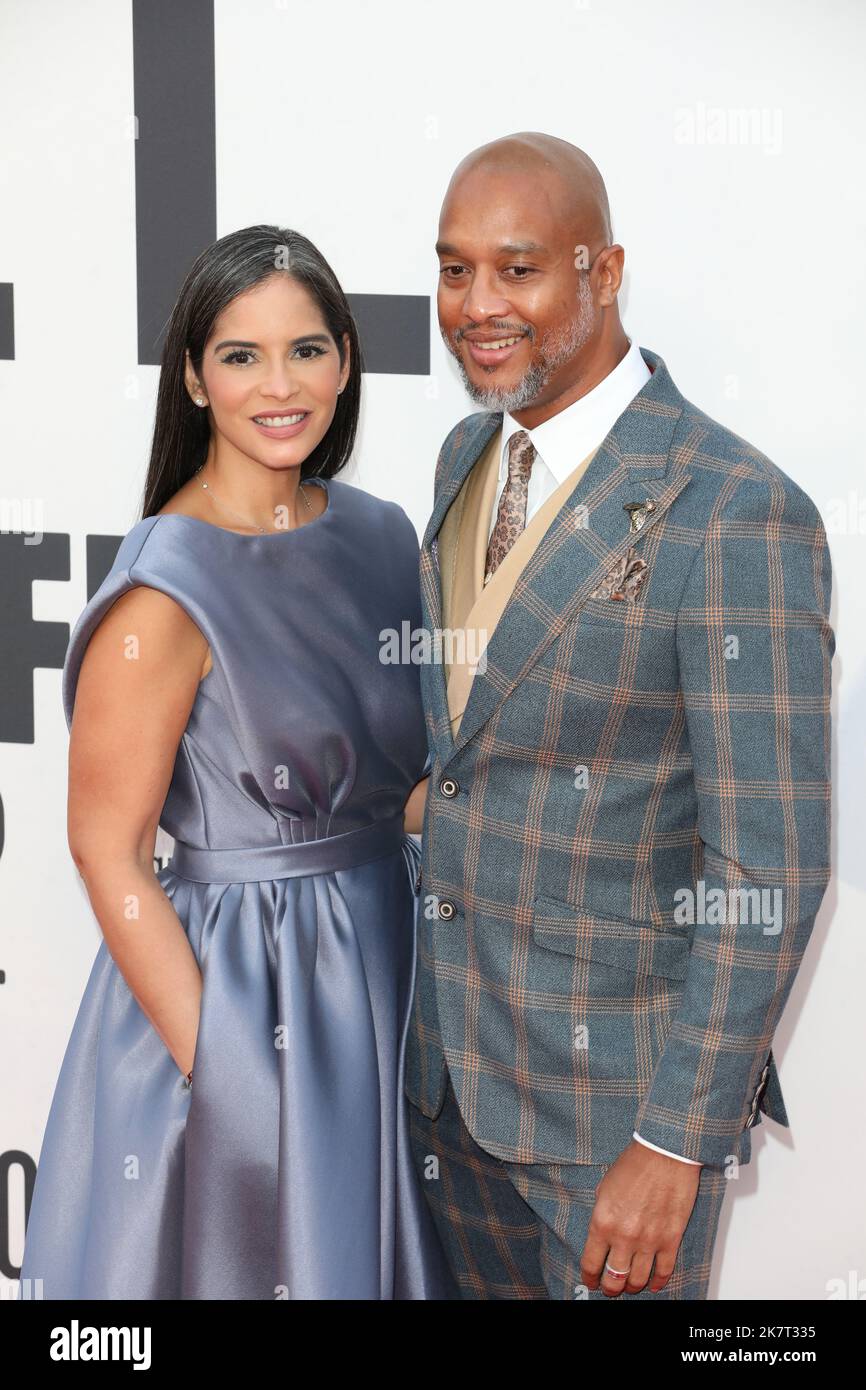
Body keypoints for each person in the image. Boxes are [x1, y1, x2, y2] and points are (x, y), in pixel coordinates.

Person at [405, 132, 834, 1299]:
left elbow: (772, 863)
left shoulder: (735, 510)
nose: (476, 306)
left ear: (603, 273)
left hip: (615, 1128)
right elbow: (472, 743)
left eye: (517, 268)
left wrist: (676, 1138)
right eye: (452, 270)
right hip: (448, 1090)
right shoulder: (462, 454)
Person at [18, 225, 454, 1301]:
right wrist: (226, 1071)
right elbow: (106, 851)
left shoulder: (381, 533)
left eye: (307, 349)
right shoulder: (167, 587)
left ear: (347, 361)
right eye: (241, 354)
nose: (280, 384)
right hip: (239, 988)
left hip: (389, 972)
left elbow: (397, 789)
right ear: (193, 376)